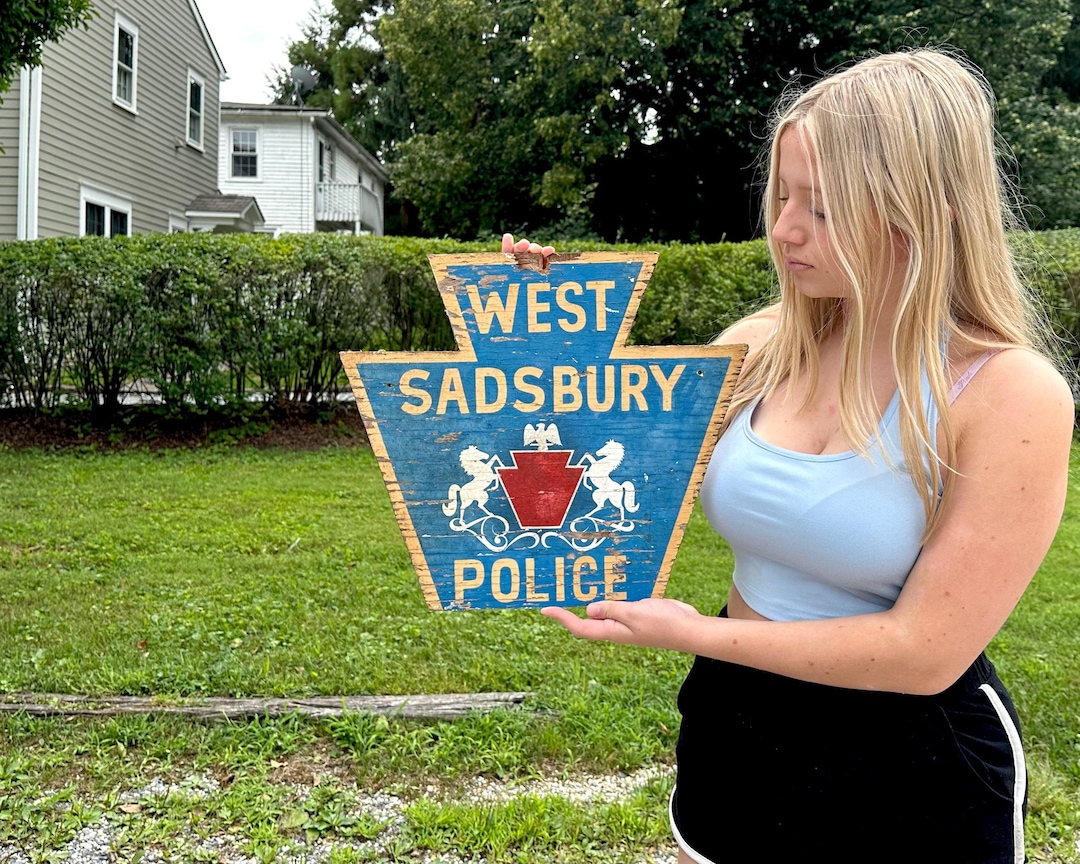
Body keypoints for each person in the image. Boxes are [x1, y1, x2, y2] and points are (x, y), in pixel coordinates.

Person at [519, 48, 1075, 864]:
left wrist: (696, 634)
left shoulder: (1009, 394)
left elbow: (924, 653)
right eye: (783, 195)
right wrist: (536, 334)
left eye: (823, 206)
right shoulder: (761, 345)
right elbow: (598, 467)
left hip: (914, 765)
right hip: (737, 726)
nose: (783, 229)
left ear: (921, 212)